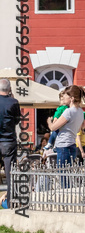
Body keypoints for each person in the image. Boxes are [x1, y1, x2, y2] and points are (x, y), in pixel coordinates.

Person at [47, 84, 85, 170]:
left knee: (62, 174)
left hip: (63, 145)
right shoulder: (80, 112)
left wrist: (49, 121)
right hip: (72, 144)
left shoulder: (68, 112)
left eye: (66, 95)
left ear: (72, 98)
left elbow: (53, 127)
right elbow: (79, 129)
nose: (64, 96)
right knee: (68, 174)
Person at [0, 78, 20, 210]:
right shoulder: (14, 102)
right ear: (9, 90)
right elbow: (17, 120)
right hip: (7, 140)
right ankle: (11, 202)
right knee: (10, 172)